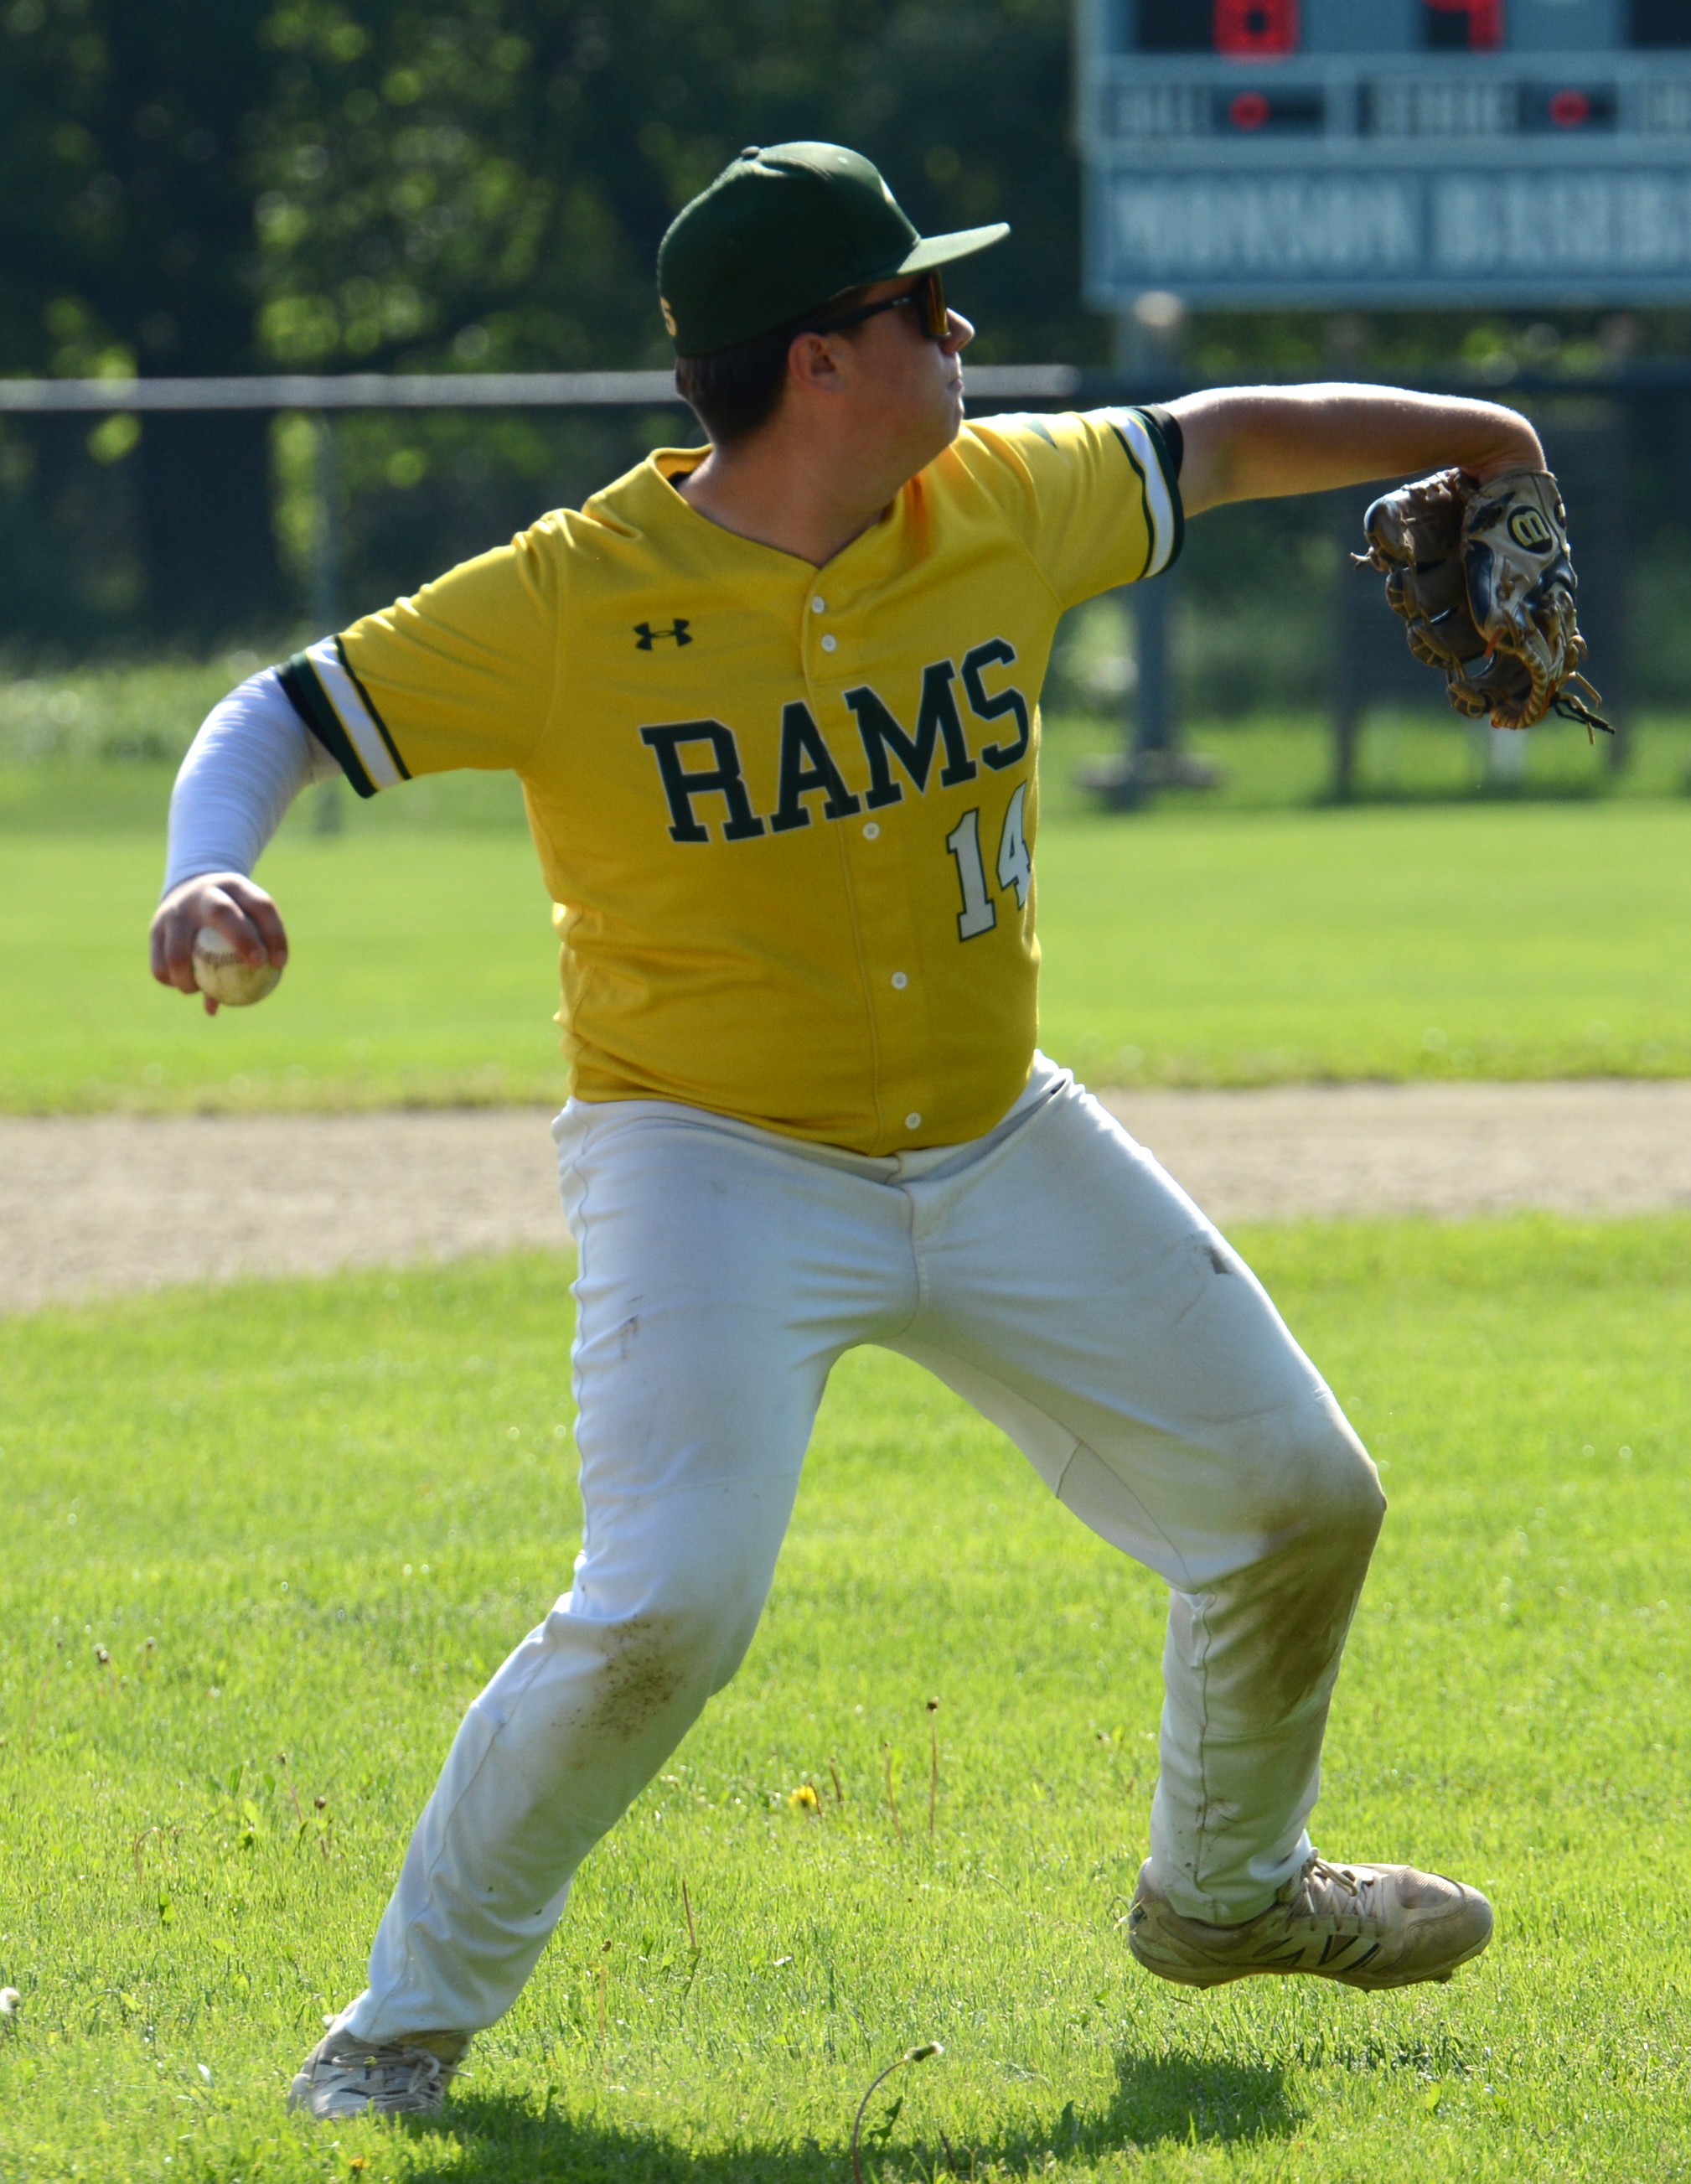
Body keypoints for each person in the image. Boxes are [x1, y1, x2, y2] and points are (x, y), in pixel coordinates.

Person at [151, 144, 1518, 2124]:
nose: (958, 328)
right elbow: (279, 714)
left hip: (994, 1132)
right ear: (818, 362)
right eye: (916, 306)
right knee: (666, 1604)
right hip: (710, 1162)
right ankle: (396, 2032)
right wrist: (206, 870)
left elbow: (1224, 436)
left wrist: (1484, 430)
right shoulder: (573, 594)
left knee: (1300, 1496)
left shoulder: (1007, 495)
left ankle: (1226, 1895)